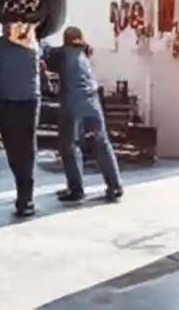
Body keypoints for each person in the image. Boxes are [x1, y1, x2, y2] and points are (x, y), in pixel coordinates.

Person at [44, 26, 124, 203]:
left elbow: (44, 51)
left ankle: (76, 189)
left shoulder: (63, 53)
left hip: (73, 104)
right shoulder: (84, 54)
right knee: (101, 143)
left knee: (69, 146)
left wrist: (34, 29)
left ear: (65, 40)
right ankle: (115, 186)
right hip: (93, 102)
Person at [0, 8, 42, 218]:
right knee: (21, 150)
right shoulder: (27, 47)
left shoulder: (20, 47)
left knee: (21, 151)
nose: (10, 29)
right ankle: (25, 197)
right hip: (20, 102)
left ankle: (25, 198)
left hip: (18, 102)